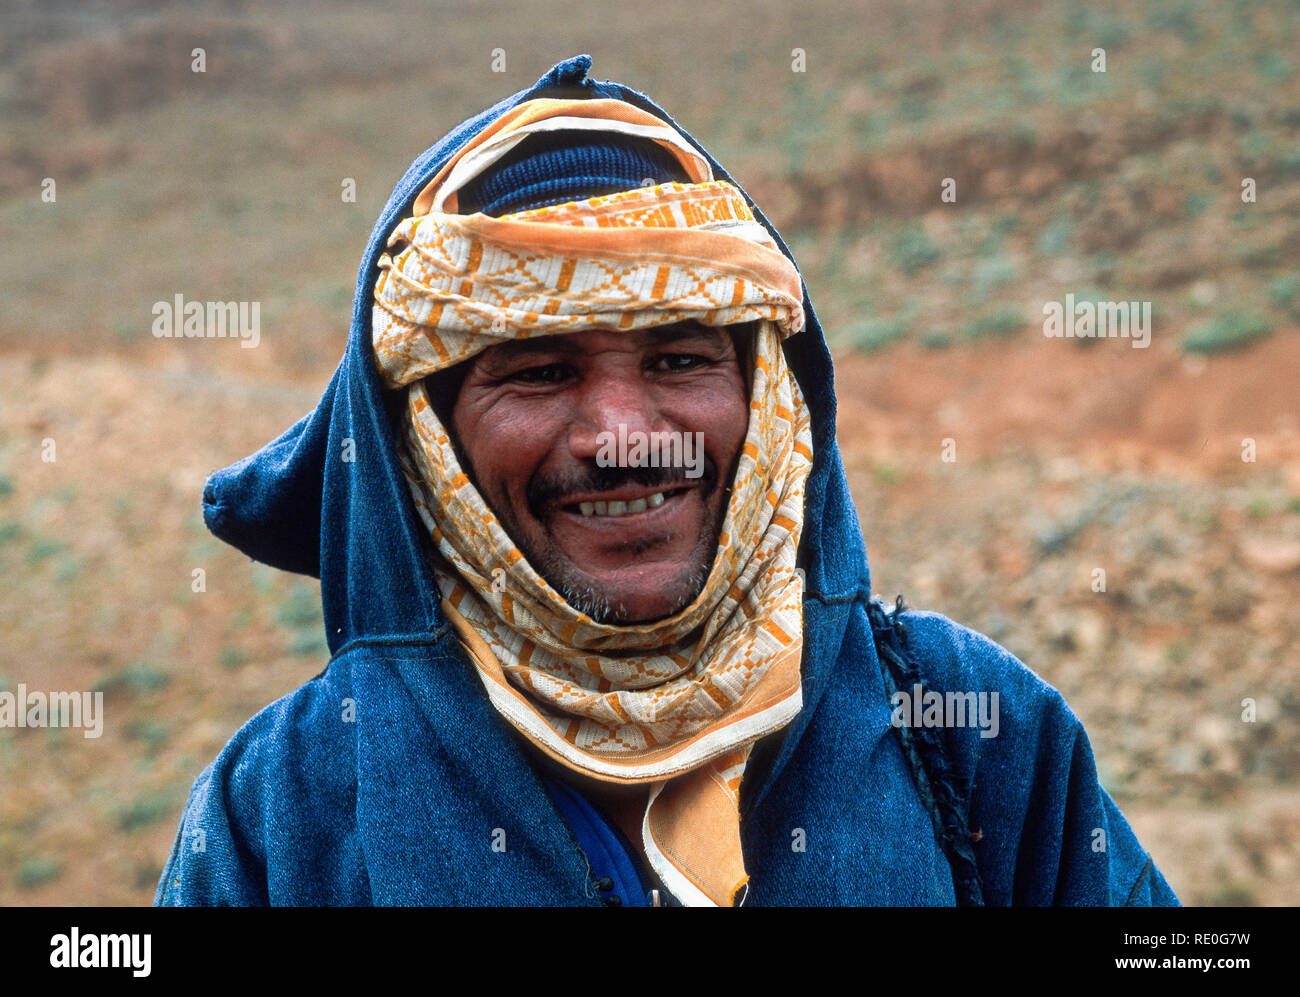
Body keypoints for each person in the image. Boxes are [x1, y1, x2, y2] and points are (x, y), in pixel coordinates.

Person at [155, 55, 1179, 907]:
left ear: (765, 398)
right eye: (541, 371)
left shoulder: (968, 729)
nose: (623, 436)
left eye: (680, 359)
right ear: (429, 438)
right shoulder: (282, 812)